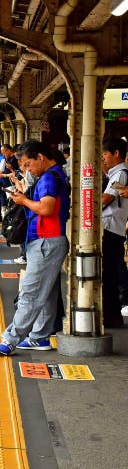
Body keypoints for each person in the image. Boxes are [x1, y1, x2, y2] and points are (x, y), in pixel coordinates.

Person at [0, 140, 70, 355]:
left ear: (41, 157)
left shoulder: (48, 178)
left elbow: (46, 208)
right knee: (46, 293)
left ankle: (10, 339)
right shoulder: (56, 174)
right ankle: (39, 337)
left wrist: (23, 202)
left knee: (30, 292)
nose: (27, 169)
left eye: (28, 164)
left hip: (46, 241)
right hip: (49, 240)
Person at [100, 137, 128, 328]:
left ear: (116, 153)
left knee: (112, 271)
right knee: (114, 269)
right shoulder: (114, 174)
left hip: (112, 227)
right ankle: (114, 312)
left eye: (105, 155)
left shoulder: (120, 174)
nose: (103, 158)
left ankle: (120, 306)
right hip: (114, 227)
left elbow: (105, 199)